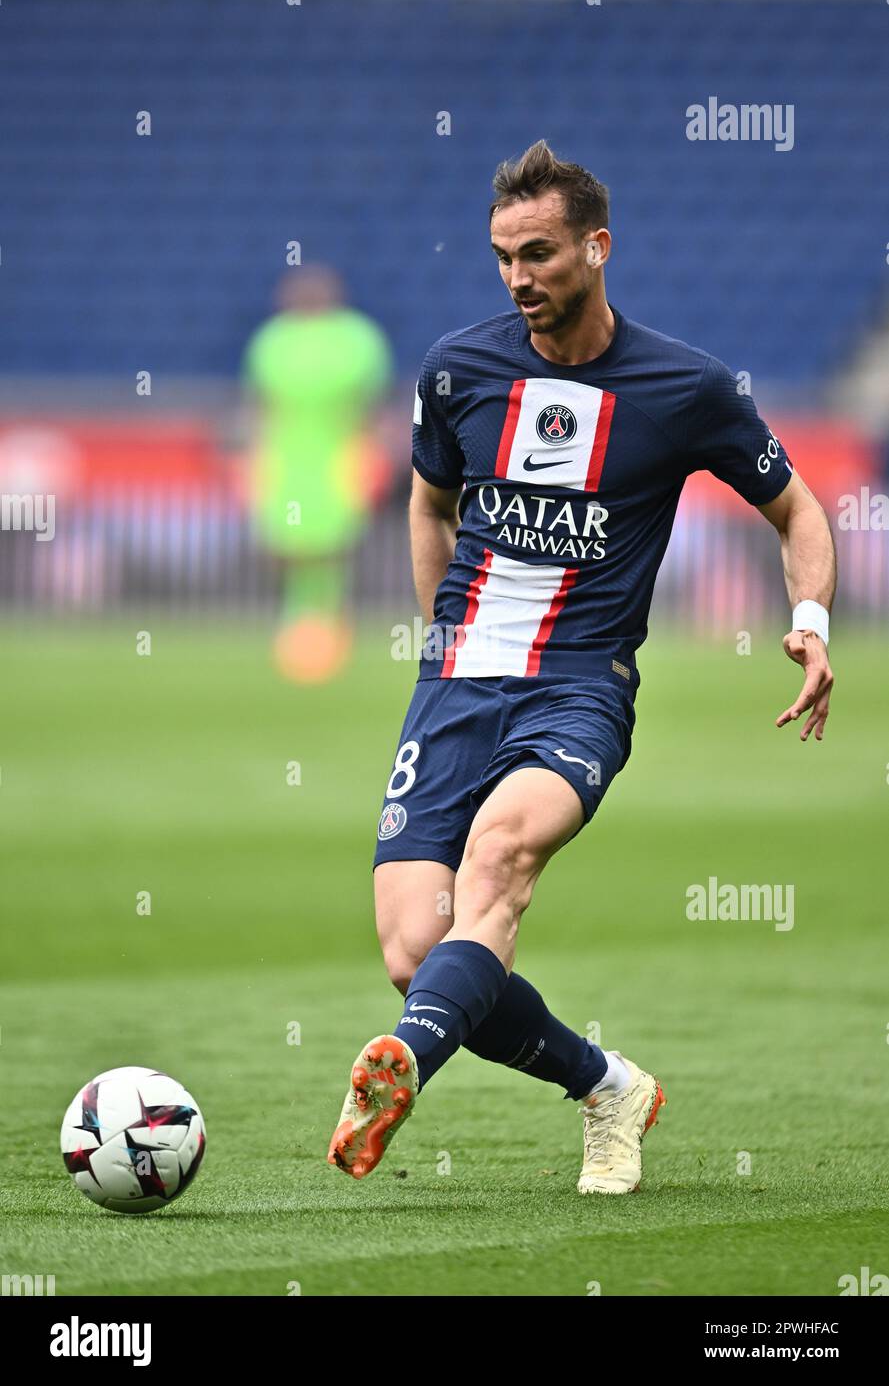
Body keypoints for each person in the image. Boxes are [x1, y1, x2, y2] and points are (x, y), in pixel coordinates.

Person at [327, 141, 836, 1194]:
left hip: (578, 690)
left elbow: (795, 505)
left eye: (541, 253)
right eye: (504, 256)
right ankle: (607, 1085)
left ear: (595, 248)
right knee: (416, 954)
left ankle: (401, 1066)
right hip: (458, 685)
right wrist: (438, 643)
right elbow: (430, 500)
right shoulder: (457, 371)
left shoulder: (684, 389)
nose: (519, 277)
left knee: (499, 861)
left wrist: (808, 617)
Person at [243, 265, 394, 681]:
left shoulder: (347, 340)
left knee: (325, 546)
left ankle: (318, 625)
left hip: (326, 458)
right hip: (303, 458)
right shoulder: (282, 340)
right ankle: (311, 623)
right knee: (305, 547)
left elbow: (371, 405)